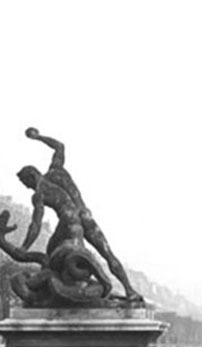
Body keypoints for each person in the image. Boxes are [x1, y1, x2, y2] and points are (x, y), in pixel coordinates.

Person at [19, 127, 142, 301]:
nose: (27, 187)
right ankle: (130, 290)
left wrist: (24, 247)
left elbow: (36, 224)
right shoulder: (56, 171)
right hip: (85, 214)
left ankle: (53, 286)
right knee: (108, 253)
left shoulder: (39, 193)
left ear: (31, 176)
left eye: (26, 183)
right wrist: (38, 137)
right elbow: (59, 146)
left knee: (51, 252)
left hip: (69, 220)